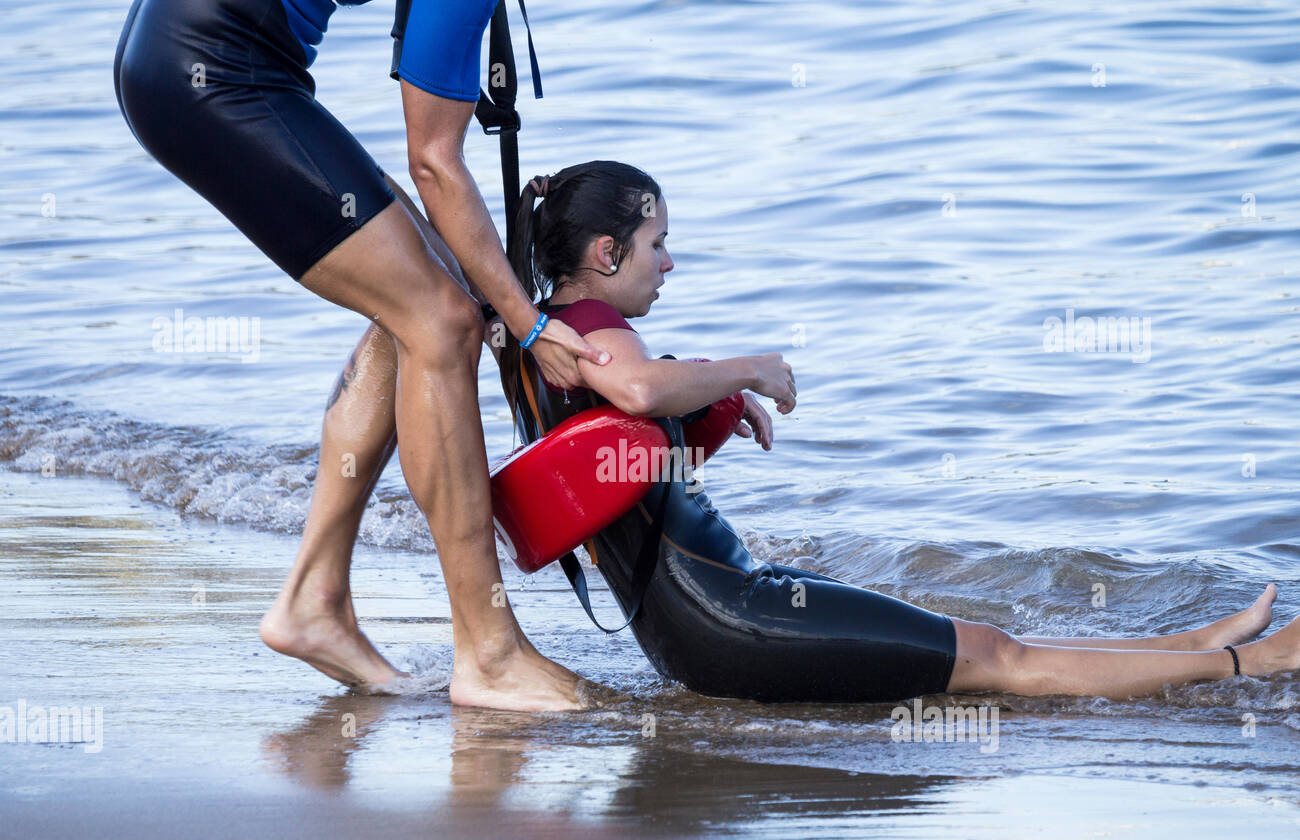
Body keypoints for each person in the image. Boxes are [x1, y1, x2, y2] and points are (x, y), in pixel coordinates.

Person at [488, 159, 1298, 702]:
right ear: (603, 252)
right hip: (728, 616)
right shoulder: (592, 333)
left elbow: (623, 464)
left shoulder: (550, 346)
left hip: (703, 621)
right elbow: (635, 384)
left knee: (991, 643)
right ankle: (1248, 662)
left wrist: (705, 410)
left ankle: (1193, 642)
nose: (668, 264)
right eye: (656, 245)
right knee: (993, 661)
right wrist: (746, 369)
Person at [113, 0, 611, 711]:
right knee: (441, 320)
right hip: (216, 74)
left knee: (430, 291)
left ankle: (313, 603)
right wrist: (528, 324)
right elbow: (435, 163)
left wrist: (504, 303)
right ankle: (490, 655)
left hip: (185, 59)